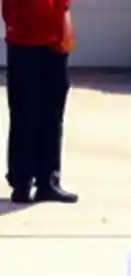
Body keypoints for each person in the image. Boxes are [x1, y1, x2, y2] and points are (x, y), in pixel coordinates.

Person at [4, 0, 78, 203]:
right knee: (24, 110)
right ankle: (22, 181)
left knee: (52, 111)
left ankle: (47, 181)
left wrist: (65, 23)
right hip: (23, 37)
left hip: (53, 37)